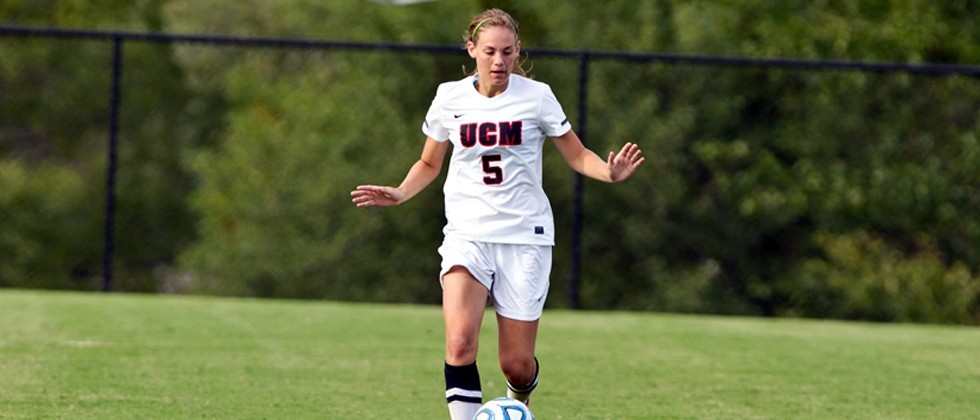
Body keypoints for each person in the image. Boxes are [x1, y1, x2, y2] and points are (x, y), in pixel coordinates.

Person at [351, 8, 644, 419]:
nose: (499, 61)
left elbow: (576, 154)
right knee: (459, 343)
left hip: (525, 236)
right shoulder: (448, 97)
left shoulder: (537, 96)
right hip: (467, 233)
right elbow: (430, 164)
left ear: (518, 51)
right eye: (489, 51)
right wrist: (400, 192)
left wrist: (609, 173)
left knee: (517, 364)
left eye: (507, 52)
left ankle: (518, 399)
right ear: (471, 50)